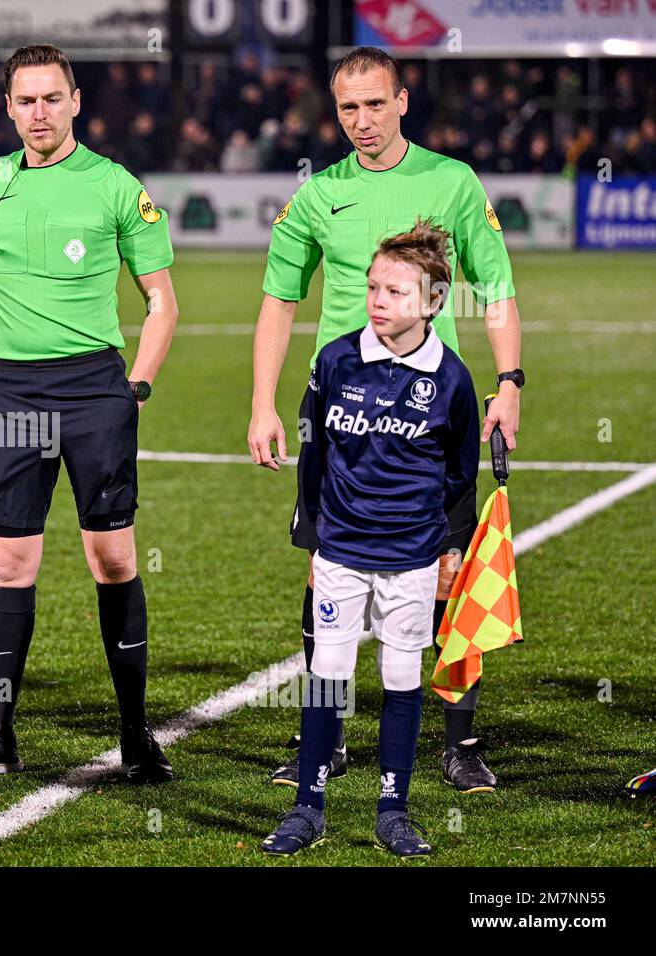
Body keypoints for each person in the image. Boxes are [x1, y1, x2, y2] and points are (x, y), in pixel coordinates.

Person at [248, 46, 524, 794]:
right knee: (324, 567)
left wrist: (508, 380)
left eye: (375, 105)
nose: (362, 122)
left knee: (446, 570)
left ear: (403, 102)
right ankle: (326, 741)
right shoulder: (317, 194)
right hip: (336, 411)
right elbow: (279, 299)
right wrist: (263, 401)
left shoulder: (452, 182)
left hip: (434, 407)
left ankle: (460, 743)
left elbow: (494, 285)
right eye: (347, 109)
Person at [0, 44, 179, 783]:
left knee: (112, 559)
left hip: (95, 389)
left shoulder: (114, 186)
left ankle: (136, 736)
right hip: (9, 390)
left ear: (76, 100)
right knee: (10, 563)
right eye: (25, 100)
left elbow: (162, 302)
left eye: (51, 98)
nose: (38, 112)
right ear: (8, 108)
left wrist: (134, 386)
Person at [261, 220, 479, 858]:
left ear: (433, 302)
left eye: (397, 292)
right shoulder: (336, 359)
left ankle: (393, 809)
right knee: (327, 674)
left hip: (411, 556)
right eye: (373, 287)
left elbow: (459, 468)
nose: (379, 301)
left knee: (400, 676)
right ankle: (308, 806)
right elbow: (315, 452)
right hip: (342, 551)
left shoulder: (452, 378)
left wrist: (437, 536)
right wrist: (321, 528)